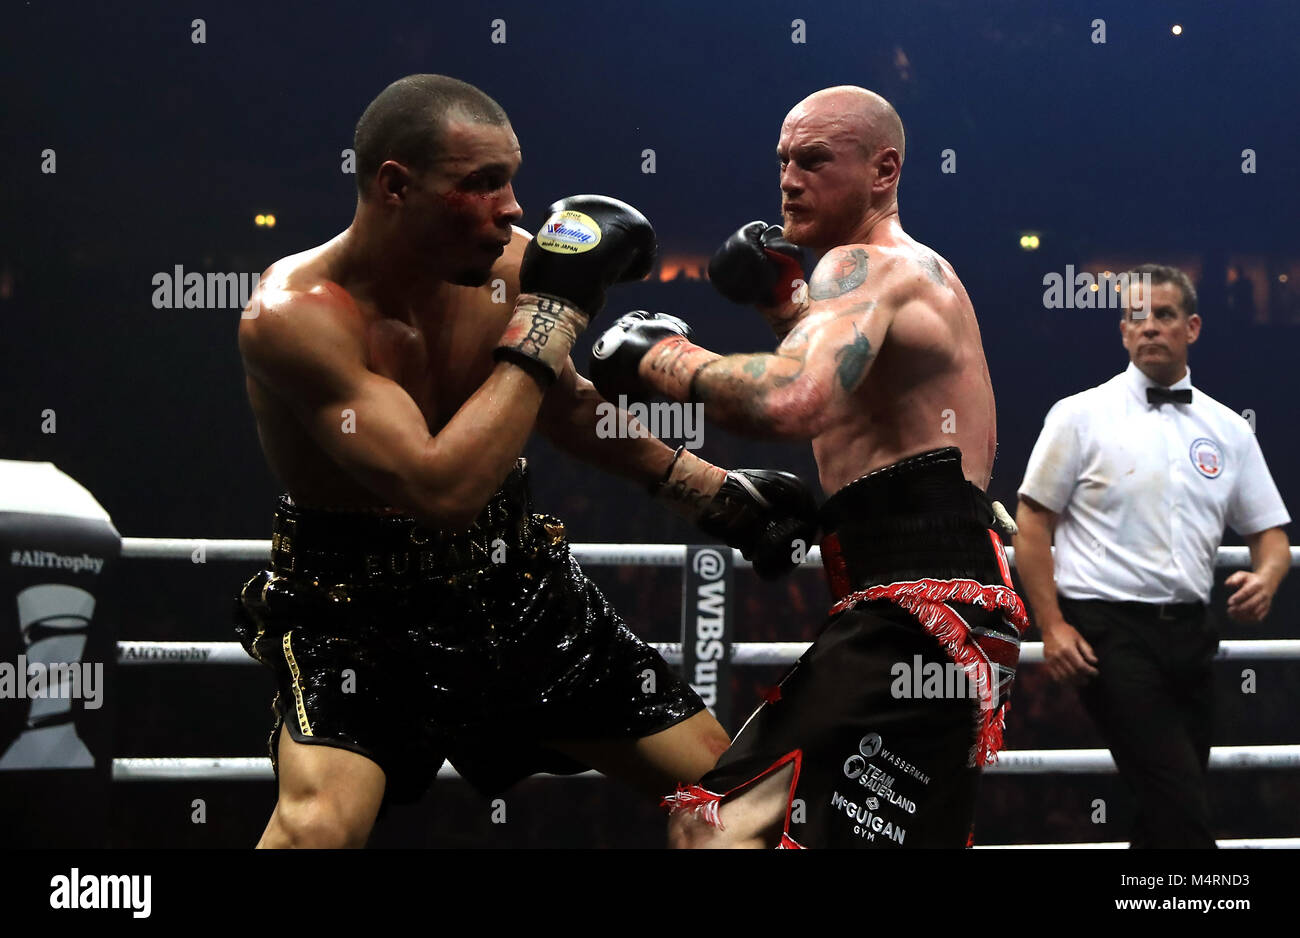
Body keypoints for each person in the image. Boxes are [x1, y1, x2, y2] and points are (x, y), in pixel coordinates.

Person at [233, 74, 818, 848]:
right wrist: (550, 319)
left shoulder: (513, 269)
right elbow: (439, 487)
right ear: (395, 186)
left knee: (733, 798)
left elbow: (564, 404)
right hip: (353, 612)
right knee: (318, 832)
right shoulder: (295, 316)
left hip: (513, 585)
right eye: (480, 184)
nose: (512, 208)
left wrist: (711, 493)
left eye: (510, 179)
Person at [589, 85, 1026, 848]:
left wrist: (659, 356)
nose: (789, 178)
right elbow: (869, 396)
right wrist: (780, 304)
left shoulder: (865, 264)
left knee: (716, 827)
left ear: (884, 170)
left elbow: (792, 401)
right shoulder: (913, 272)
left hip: (911, 606)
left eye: (815, 160)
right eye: (783, 160)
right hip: (944, 602)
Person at [1014, 264, 1291, 848]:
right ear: (1122, 331)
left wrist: (1266, 578)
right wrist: (1053, 625)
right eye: (1137, 317)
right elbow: (1033, 524)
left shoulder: (1228, 429)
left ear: (1192, 327)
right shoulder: (1078, 415)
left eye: (1164, 316)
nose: (1150, 328)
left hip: (1192, 632)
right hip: (1107, 632)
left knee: (1160, 805)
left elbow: (1270, 534)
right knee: (1179, 800)